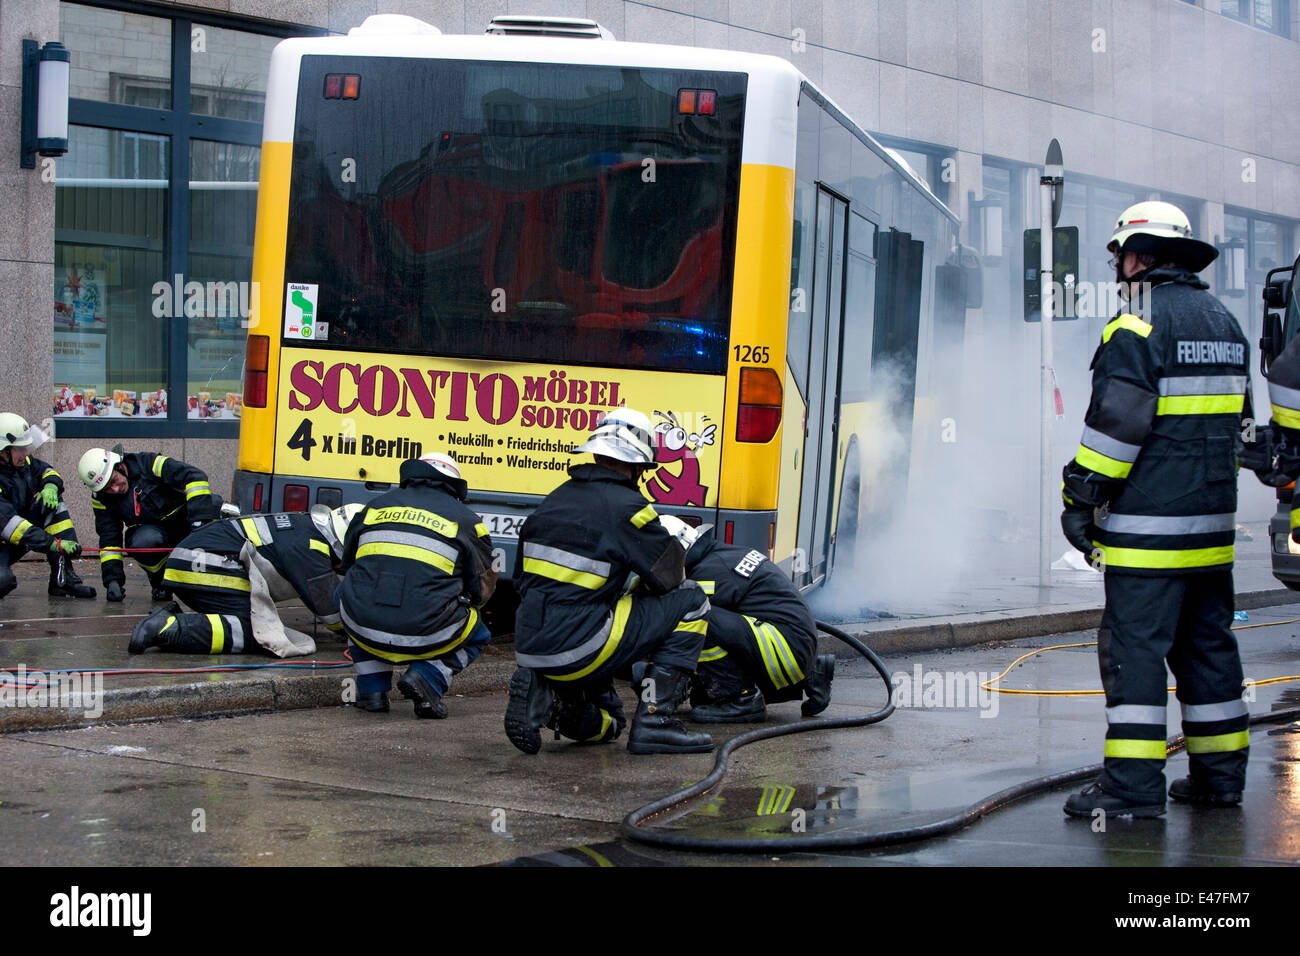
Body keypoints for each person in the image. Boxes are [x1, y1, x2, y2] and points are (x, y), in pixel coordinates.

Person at [1059, 201, 1250, 818]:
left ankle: (1132, 791)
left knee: (1134, 654)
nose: (1117, 268)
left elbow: (1116, 430)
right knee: (1207, 649)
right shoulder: (1224, 322)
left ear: (1140, 255)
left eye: (1119, 256)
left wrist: (1079, 497)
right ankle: (1220, 779)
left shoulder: (1135, 323)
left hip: (1148, 535)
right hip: (1213, 532)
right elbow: (1237, 427)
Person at [504, 408, 713, 756]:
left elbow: (523, 581)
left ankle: (551, 704)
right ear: (635, 465)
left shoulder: (554, 501)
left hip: (531, 644)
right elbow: (671, 578)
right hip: (581, 643)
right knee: (693, 601)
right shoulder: (629, 507)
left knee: (610, 724)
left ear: (598, 452)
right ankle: (655, 721)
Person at [337, 453, 497, 719]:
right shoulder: (469, 521)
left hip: (362, 626)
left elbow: (347, 564)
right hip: (427, 633)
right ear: (454, 486)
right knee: (478, 633)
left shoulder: (374, 507)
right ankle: (428, 677)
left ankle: (372, 692)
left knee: (350, 597)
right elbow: (482, 586)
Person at [656, 516, 834, 723]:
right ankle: (811, 673)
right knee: (703, 695)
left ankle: (743, 700)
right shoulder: (721, 556)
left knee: (691, 618)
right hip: (794, 644)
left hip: (786, 649)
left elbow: (682, 635)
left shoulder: (708, 575)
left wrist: (666, 677)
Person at [129, 503, 363, 656]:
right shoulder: (310, 548)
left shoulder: (305, 526)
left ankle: (172, 619)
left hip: (195, 561)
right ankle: (168, 628)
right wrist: (367, 634)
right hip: (202, 563)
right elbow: (332, 613)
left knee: (248, 623)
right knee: (260, 633)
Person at [78, 447, 220, 603]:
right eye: (108, 489)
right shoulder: (101, 498)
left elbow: (194, 477)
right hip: (154, 533)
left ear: (118, 466)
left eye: (113, 481)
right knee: (141, 543)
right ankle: (161, 583)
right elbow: (109, 537)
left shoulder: (148, 463)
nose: (115, 489)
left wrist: (199, 526)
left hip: (189, 521)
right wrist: (113, 580)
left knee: (216, 507)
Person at [0, 413, 94, 600]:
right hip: (8, 535)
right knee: (3, 580)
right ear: (2, 451)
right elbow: (12, 527)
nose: (26, 453)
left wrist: (50, 485)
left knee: (52, 502)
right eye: (20, 449)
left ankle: (63, 579)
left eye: (26, 447)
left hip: (13, 539)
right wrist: (55, 544)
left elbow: (47, 470)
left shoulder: (23, 461)